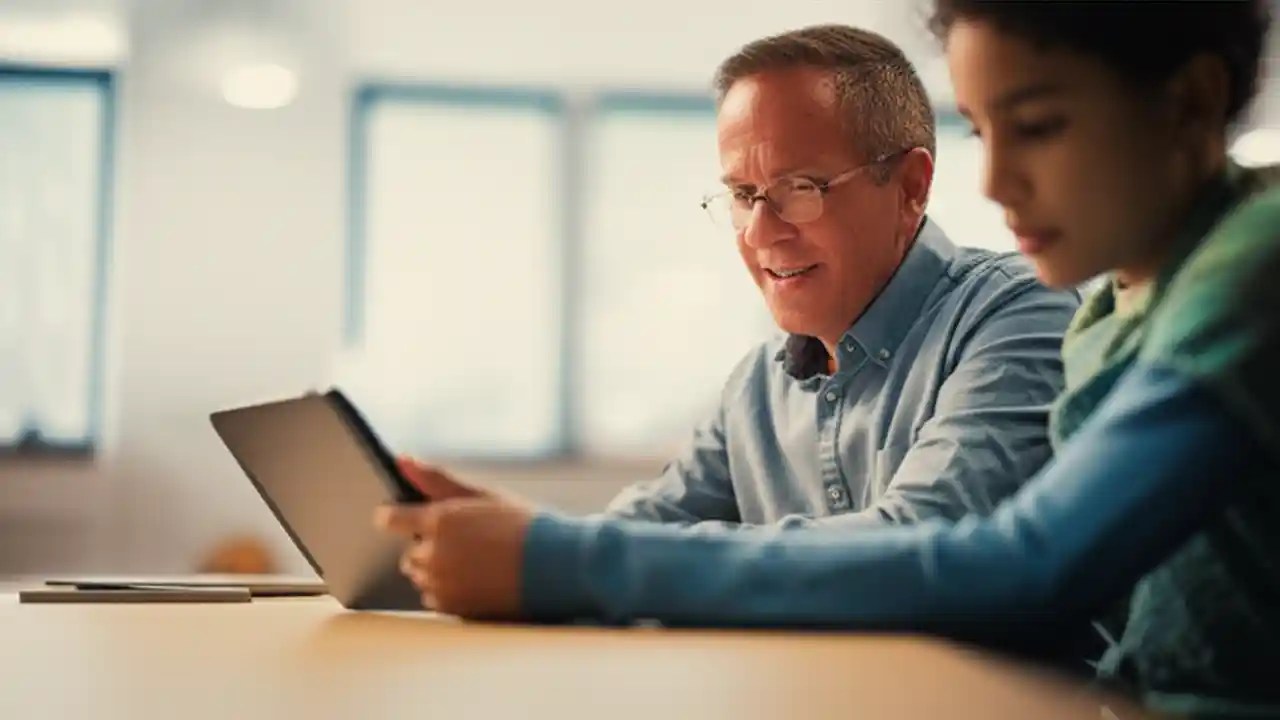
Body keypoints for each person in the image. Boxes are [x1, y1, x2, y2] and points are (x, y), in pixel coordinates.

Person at [376, 1, 1280, 714]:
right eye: (741, 195)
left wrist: (560, 561)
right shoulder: (1119, 309)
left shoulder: (1234, 272)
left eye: (1039, 126)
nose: (997, 184)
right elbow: (644, 524)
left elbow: (1019, 564)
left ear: (1189, 103)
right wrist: (517, 536)